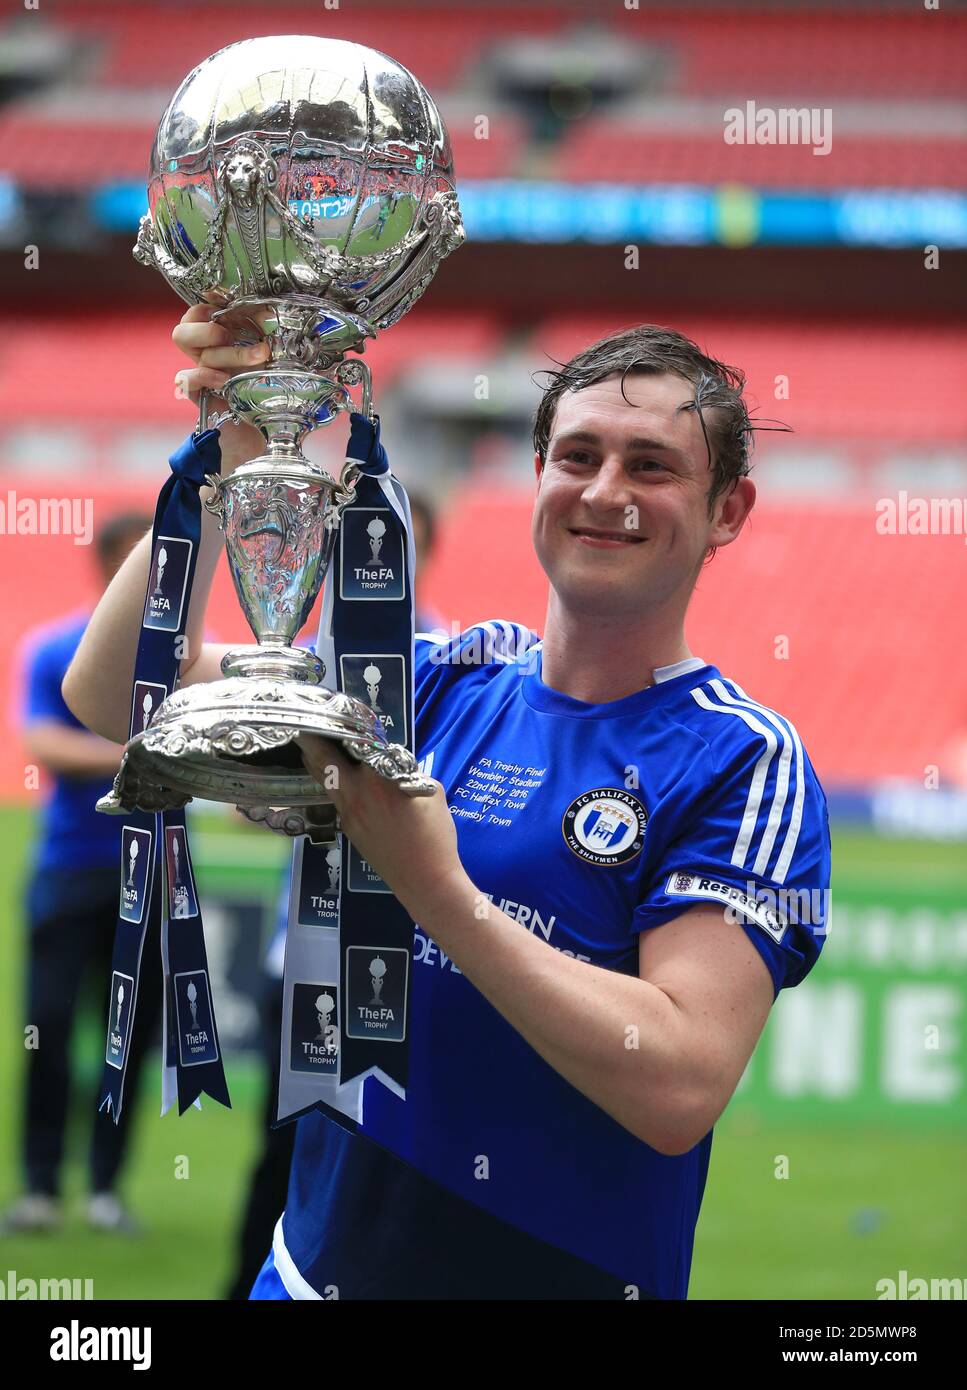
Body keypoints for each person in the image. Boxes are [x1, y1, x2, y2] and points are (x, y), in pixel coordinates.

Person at [63, 309, 830, 1299]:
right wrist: (236, 445)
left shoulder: (740, 758)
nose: (604, 491)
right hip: (307, 1275)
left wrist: (437, 889)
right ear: (538, 475)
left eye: (650, 466)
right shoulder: (433, 681)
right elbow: (119, 686)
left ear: (728, 509)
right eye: (578, 455)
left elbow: (677, 1079)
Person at [223, 481, 451, 1299]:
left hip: (407, 968)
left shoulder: (451, 668)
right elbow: (112, 694)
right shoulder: (309, 663)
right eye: (355, 541)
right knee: (284, 1154)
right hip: (309, 959)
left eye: (390, 543)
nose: (374, 560)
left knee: (385, 1163)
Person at [2, 511, 160, 1237]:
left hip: (154, 877)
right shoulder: (56, 648)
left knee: (128, 1042)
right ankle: (39, 1188)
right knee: (50, 1027)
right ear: (107, 568)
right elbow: (43, 743)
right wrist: (150, 751)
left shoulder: (180, 658)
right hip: (69, 871)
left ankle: (104, 1188)